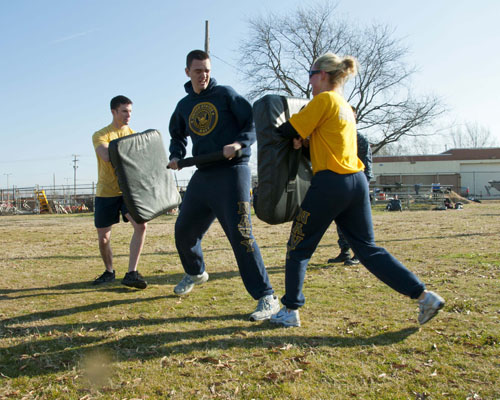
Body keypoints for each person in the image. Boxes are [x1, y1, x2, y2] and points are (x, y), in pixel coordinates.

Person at [270, 52, 444, 327]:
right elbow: (324, 142)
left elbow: (285, 129)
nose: (310, 83)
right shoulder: (345, 107)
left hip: (331, 182)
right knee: (367, 249)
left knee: (298, 245)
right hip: (357, 181)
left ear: (323, 75)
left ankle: (290, 310)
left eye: (311, 75)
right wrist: (304, 143)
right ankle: (424, 296)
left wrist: (293, 134)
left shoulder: (324, 99)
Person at [167, 50, 279, 321]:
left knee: (241, 235)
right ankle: (195, 272)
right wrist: (176, 156)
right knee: (184, 230)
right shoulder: (184, 106)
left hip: (232, 171)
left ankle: (267, 297)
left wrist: (239, 143)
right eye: (197, 71)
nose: (203, 75)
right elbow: (177, 135)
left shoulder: (226, 94)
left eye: (206, 69)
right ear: (187, 73)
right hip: (204, 173)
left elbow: (251, 122)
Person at [91, 95, 148, 289]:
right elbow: (107, 156)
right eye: (124, 111)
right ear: (114, 112)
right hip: (106, 192)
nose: (128, 115)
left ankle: (132, 273)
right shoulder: (100, 135)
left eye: (130, 111)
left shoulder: (134, 135)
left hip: (128, 192)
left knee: (141, 226)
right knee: (104, 237)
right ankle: (109, 271)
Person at [328, 107, 373, 266]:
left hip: (357, 185)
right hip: (341, 185)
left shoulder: (359, 139)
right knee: (341, 221)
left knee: (356, 223)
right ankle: (344, 251)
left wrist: (363, 188)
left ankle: (358, 254)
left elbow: (366, 166)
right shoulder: (338, 138)